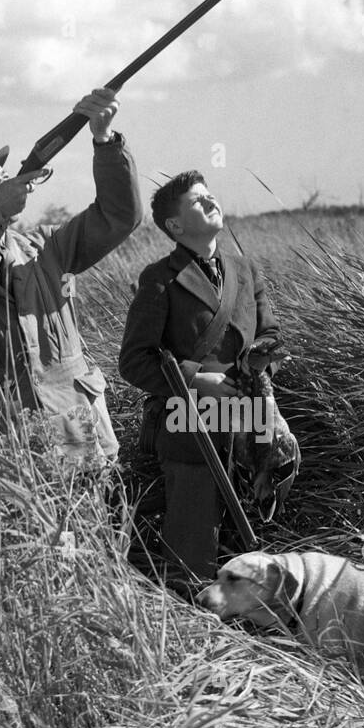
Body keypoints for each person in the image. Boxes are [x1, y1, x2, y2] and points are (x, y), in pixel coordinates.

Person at [0, 87, 141, 465]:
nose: (7, 188)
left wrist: (104, 140)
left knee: (91, 523)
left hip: (77, 439)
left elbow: (120, 217)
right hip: (4, 454)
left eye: (6, 179)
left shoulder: (45, 247)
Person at [118, 170, 279, 586]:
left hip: (249, 422)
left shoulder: (245, 270)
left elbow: (271, 334)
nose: (210, 202)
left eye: (209, 195)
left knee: (251, 543)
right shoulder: (159, 278)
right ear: (174, 225)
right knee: (191, 551)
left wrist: (263, 362)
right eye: (196, 201)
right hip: (190, 427)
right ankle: (191, 634)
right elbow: (134, 361)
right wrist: (195, 379)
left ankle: (252, 640)